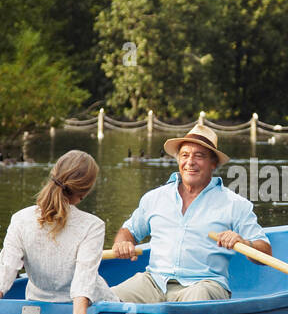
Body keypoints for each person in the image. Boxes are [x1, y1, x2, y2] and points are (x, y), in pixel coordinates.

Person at [0, 150, 114, 314]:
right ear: (85, 191)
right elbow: (85, 274)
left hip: (37, 308)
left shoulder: (20, 219)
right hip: (92, 306)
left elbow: (6, 269)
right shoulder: (93, 225)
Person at [112, 124, 270, 302]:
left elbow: (265, 252)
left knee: (196, 299)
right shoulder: (154, 198)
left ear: (213, 163)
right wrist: (123, 243)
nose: (190, 162)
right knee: (107, 298)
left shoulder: (235, 204)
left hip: (204, 283)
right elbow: (128, 232)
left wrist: (244, 242)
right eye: (185, 155)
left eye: (199, 156)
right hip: (154, 282)